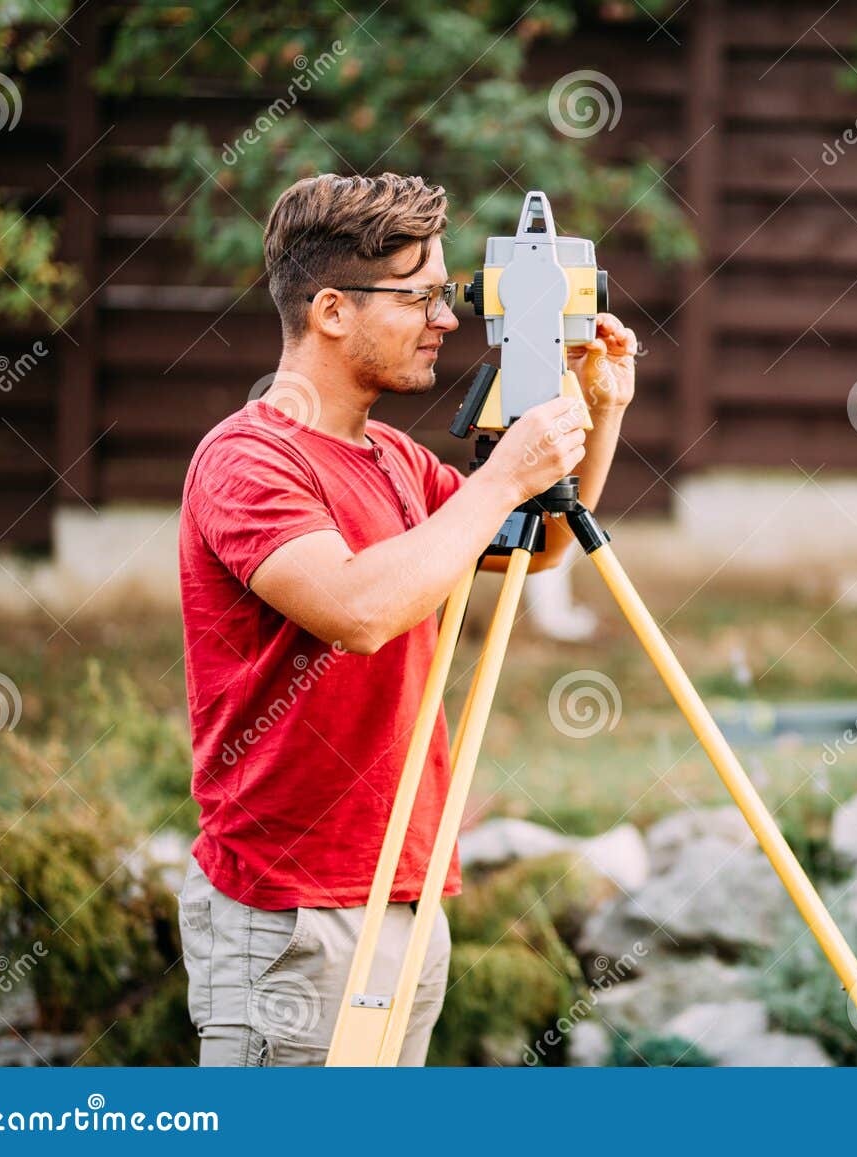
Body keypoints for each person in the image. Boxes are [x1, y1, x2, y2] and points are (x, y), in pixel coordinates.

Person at [174, 173, 637, 1066]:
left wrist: (598, 407)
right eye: (420, 297)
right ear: (332, 310)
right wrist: (502, 475)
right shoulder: (249, 459)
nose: (447, 319)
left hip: (406, 888)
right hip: (292, 906)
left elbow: (531, 545)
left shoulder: (392, 457)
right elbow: (359, 611)